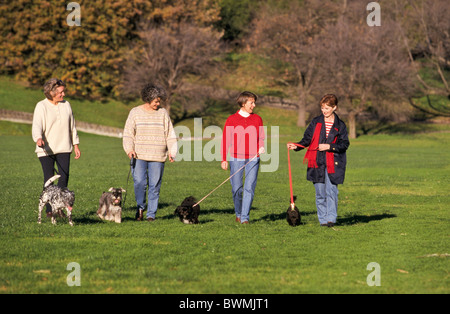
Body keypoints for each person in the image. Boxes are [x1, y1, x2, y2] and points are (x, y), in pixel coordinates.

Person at [287, 94, 349, 227]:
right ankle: (323, 220)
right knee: (320, 193)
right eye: (322, 108)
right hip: (317, 161)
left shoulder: (341, 125)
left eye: (327, 108)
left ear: (334, 107)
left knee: (331, 191)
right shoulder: (316, 122)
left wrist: (329, 146)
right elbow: (307, 139)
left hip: (334, 163)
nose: (324, 111)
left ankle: (331, 219)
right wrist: (296, 146)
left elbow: (344, 144)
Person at [123, 83, 177, 222]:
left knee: (155, 185)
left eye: (159, 100)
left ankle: (151, 214)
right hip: (139, 155)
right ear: (148, 98)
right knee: (139, 182)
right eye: (156, 100)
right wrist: (129, 149)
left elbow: (170, 133)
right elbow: (128, 133)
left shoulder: (163, 113)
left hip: (158, 156)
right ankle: (140, 207)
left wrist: (172, 151)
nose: (158, 103)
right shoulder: (135, 112)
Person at [32, 78, 81, 215]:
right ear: (51, 92)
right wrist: (38, 138)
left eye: (64, 91)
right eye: (61, 92)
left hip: (64, 147)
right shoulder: (41, 106)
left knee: (64, 177)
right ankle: (49, 210)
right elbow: (37, 125)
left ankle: (59, 208)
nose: (63, 94)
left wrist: (75, 145)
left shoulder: (67, 105)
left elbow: (72, 127)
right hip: (46, 149)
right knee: (49, 178)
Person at [221, 91, 265, 224]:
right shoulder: (232, 119)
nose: (254, 105)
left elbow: (261, 136)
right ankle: (238, 213)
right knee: (236, 188)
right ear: (244, 103)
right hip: (236, 158)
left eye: (254, 102)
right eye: (252, 102)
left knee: (249, 187)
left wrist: (261, 146)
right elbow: (225, 140)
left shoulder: (257, 119)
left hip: (253, 158)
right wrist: (224, 158)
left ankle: (245, 217)